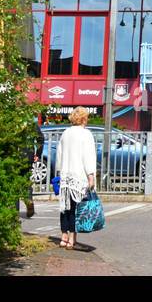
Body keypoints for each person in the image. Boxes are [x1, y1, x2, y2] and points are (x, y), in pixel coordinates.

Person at [57, 107, 96, 250]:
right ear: (84, 119)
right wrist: (91, 176)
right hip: (79, 176)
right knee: (76, 208)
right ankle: (72, 239)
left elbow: (59, 154)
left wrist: (59, 172)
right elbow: (88, 157)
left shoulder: (65, 133)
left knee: (64, 207)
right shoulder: (86, 134)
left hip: (66, 175)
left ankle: (63, 237)